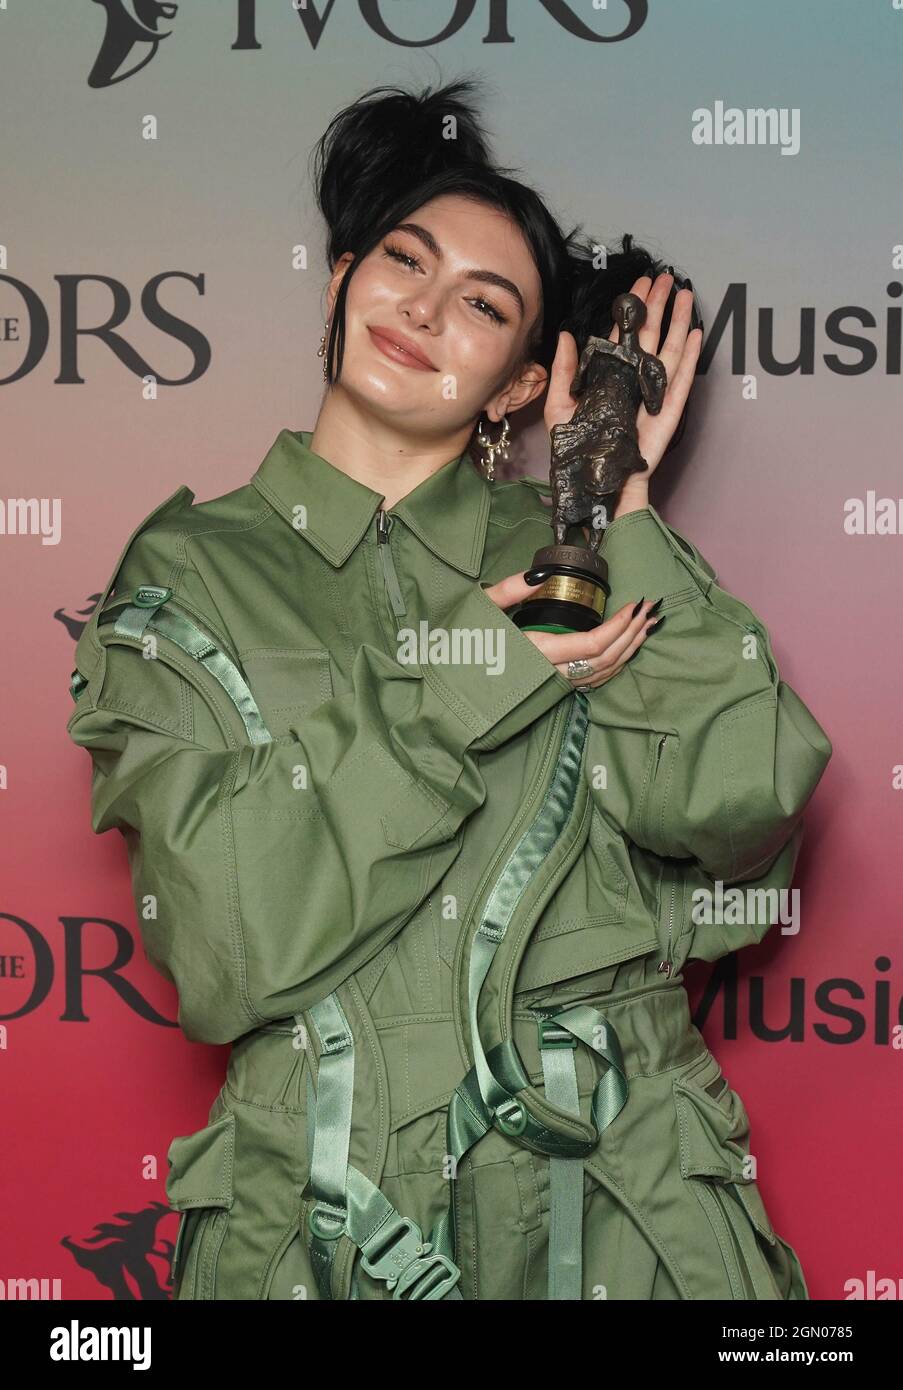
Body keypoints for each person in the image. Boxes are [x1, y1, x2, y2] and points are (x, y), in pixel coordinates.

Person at [66, 76, 832, 1301]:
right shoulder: (192, 570)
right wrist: (464, 672)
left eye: (482, 305)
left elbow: (736, 821)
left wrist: (617, 505)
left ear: (524, 385)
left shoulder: (575, 547)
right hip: (325, 1221)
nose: (424, 309)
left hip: (624, 1213)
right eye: (403, 262)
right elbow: (224, 944)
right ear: (340, 281)